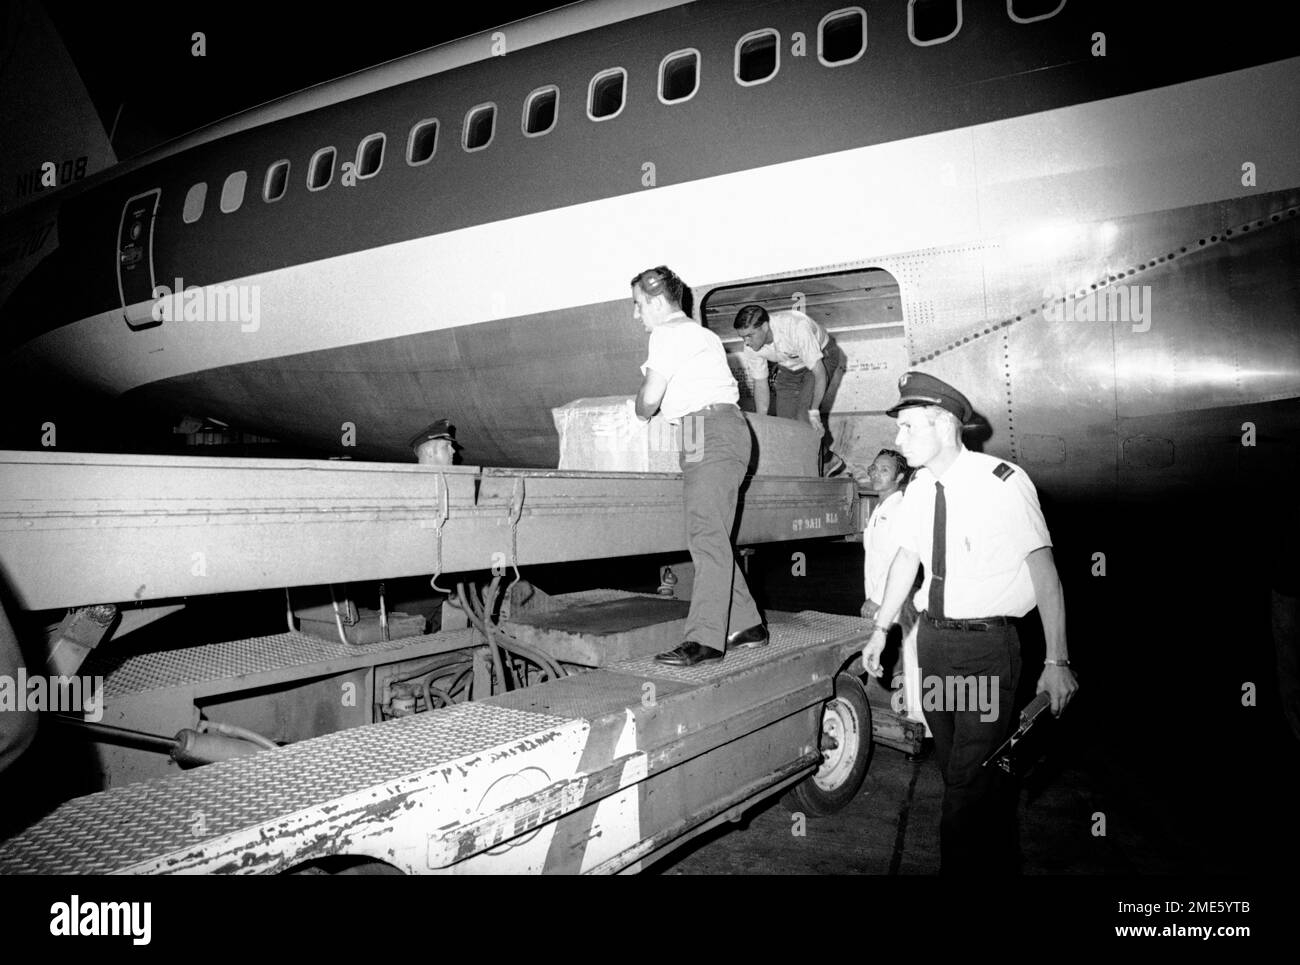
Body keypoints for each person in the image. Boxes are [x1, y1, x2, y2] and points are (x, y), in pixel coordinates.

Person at [861, 371, 1079, 874]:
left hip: (984, 648)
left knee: (965, 780)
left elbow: (1046, 575)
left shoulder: (1001, 481)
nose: (898, 438)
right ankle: (998, 862)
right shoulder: (918, 489)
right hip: (935, 643)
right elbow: (906, 561)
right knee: (963, 767)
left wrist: (1057, 660)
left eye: (908, 426)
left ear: (943, 425)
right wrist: (881, 630)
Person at [632, 266, 767, 666]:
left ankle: (705, 640)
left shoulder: (667, 334)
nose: (636, 315)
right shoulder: (701, 334)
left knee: (707, 536)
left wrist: (638, 411)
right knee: (709, 533)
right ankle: (747, 624)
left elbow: (649, 400)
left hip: (708, 429)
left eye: (639, 305)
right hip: (705, 429)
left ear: (657, 301)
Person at [860, 448, 930, 740]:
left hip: (899, 595)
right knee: (903, 655)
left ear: (900, 476)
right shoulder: (881, 507)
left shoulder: (900, 508)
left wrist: (876, 597)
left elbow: (896, 557)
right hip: (885, 595)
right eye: (874, 467)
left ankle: (920, 723)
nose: (876, 473)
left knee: (913, 655)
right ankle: (913, 716)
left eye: (885, 469)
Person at [733, 304, 845, 475]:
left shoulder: (795, 326)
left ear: (764, 326)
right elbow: (761, 386)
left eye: (750, 335)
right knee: (786, 424)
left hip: (822, 358)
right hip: (789, 368)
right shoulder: (750, 348)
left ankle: (822, 463)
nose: (747, 342)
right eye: (743, 337)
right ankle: (820, 460)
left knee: (804, 416)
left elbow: (819, 373)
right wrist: (761, 425)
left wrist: (814, 412)